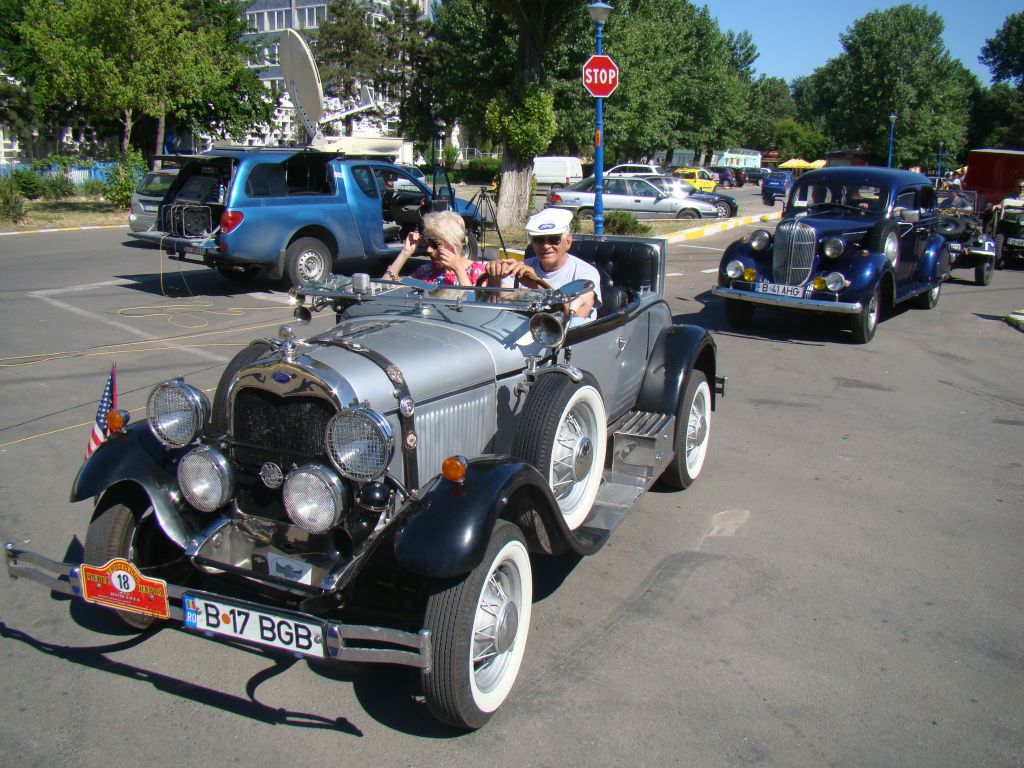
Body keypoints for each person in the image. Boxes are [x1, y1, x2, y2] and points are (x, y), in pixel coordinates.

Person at [483, 207, 602, 321]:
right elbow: (499, 303)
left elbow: (576, 318)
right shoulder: (520, 269)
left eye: (554, 239)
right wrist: (496, 278)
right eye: (539, 239)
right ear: (532, 243)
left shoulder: (585, 273)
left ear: (568, 242)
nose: (545, 246)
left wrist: (537, 285)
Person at [382, 210, 485, 287]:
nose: (429, 250)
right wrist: (405, 253)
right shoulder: (427, 271)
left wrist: (458, 269)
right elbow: (385, 286)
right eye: (428, 243)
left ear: (453, 244)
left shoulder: (478, 272)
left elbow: (474, 307)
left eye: (434, 244)